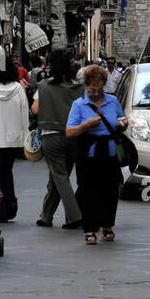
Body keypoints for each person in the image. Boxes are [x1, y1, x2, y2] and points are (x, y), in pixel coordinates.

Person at [65, 64, 127, 245]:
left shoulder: (112, 101)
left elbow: (121, 121)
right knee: (88, 190)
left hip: (109, 150)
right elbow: (69, 131)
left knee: (110, 189)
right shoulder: (79, 105)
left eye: (99, 90)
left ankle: (107, 225)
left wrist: (123, 124)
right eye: (92, 90)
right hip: (88, 150)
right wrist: (86, 125)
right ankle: (89, 228)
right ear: (86, 86)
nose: (96, 94)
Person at [34, 49, 83, 229]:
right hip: (73, 136)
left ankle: (75, 216)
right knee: (58, 176)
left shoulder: (43, 86)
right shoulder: (79, 88)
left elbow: (35, 109)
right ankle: (46, 215)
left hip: (51, 135)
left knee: (59, 176)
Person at [0, 47, 29, 223]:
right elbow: (24, 113)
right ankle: (9, 205)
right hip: (12, 140)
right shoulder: (18, 89)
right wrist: (25, 137)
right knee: (7, 172)